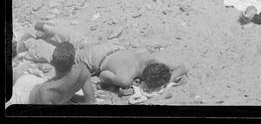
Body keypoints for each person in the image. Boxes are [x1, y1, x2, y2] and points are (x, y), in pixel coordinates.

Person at [21, 23, 186, 93]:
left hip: (111, 47)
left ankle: (47, 27)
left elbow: (182, 66)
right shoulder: (126, 77)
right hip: (96, 60)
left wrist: (168, 78)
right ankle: (29, 41)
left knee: (80, 40)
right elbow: (103, 76)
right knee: (61, 57)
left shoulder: (152, 59)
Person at [15, 42, 96, 105]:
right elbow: (91, 102)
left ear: (52, 62)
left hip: (25, 95)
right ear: (73, 61)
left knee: (19, 76)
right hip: (40, 88)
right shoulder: (82, 71)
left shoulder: (45, 91)